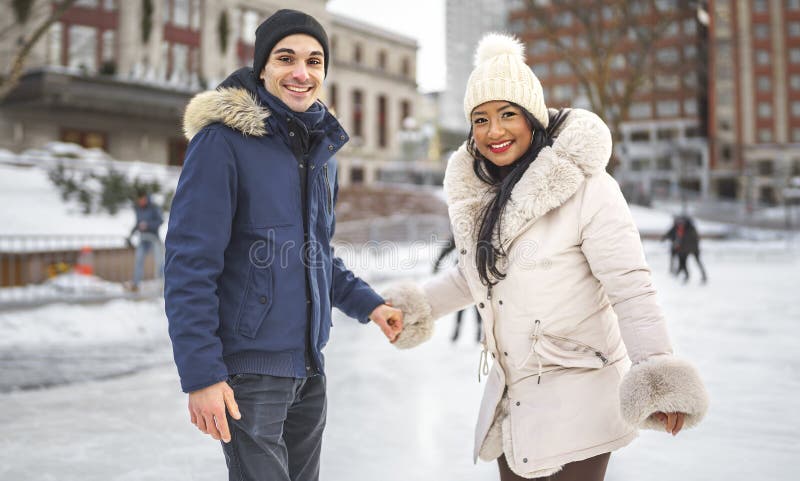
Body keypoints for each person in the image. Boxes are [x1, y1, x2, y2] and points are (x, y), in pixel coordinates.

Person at [383, 34, 708, 480]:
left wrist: (656, 373)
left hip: (580, 393)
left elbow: (629, 285)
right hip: (516, 401)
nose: (494, 131)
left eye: (507, 114)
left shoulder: (589, 188)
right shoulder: (488, 196)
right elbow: (473, 275)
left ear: (532, 117)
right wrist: (417, 306)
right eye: (480, 119)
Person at [164, 10, 403, 481]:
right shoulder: (222, 143)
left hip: (309, 368)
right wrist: (202, 375)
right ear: (262, 68)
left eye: (314, 61)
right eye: (286, 58)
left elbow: (314, 254)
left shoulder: (320, 153)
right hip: (250, 375)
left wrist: (370, 305)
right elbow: (189, 264)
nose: (301, 72)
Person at [433, 234, 482, 343]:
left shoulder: (477, 232)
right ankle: (457, 331)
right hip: (462, 273)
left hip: (476, 273)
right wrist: (437, 263)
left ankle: (478, 331)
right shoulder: (461, 233)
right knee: (461, 303)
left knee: (477, 304)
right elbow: (447, 248)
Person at [129, 191, 163, 292]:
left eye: (142, 199)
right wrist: (131, 234)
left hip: (154, 239)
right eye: (139, 200)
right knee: (138, 261)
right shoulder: (138, 209)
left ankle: (163, 283)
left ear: (146, 198)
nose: (141, 201)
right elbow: (137, 223)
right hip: (143, 240)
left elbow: (160, 221)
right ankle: (135, 284)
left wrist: (148, 225)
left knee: (159, 262)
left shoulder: (154, 208)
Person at [663, 215, 708, 283]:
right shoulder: (678, 227)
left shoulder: (690, 229)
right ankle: (686, 275)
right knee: (683, 263)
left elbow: (693, 239)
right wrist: (665, 237)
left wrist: (681, 245)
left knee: (697, 262)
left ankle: (703, 275)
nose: (680, 224)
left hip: (693, 249)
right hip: (684, 249)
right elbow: (671, 233)